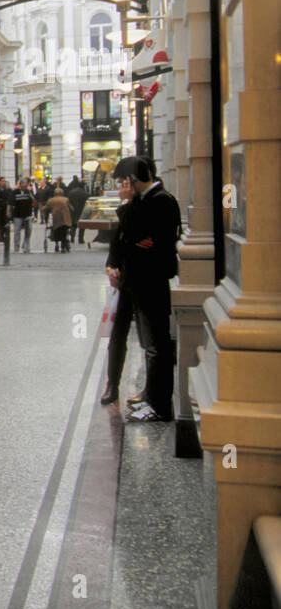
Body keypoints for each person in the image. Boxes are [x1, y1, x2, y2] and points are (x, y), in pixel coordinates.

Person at [105, 157, 181, 422]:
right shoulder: (143, 201)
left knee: (157, 344)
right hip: (136, 279)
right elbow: (128, 239)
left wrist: (129, 211)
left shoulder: (161, 200)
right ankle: (151, 397)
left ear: (134, 180)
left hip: (152, 280)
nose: (123, 187)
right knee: (149, 343)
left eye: (125, 182)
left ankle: (161, 407)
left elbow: (141, 236)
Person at [100, 175, 139, 405]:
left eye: (126, 184)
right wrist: (111, 265)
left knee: (150, 339)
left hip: (146, 281)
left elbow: (135, 234)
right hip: (125, 281)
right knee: (117, 335)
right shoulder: (129, 207)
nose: (122, 189)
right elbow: (119, 241)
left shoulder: (150, 204)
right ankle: (112, 384)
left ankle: (151, 392)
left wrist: (126, 204)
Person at [43, 185, 72, 252]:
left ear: (54, 193)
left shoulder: (51, 200)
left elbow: (45, 208)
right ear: (62, 193)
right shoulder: (66, 199)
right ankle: (63, 245)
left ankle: (57, 244)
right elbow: (71, 208)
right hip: (65, 220)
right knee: (64, 232)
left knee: (56, 231)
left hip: (56, 219)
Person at [12, 178, 35, 252]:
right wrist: (9, 211)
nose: (25, 187)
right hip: (17, 215)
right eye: (24, 185)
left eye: (26, 185)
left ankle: (26, 246)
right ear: (20, 185)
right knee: (17, 231)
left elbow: (33, 201)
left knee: (29, 230)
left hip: (27, 214)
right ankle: (16, 246)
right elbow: (10, 202)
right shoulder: (15, 192)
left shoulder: (28, 192)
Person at [67, 181, 90, 246]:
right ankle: (80, 239)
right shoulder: (85, 194)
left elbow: (68, 201)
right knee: (82, 226)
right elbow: (88, 203)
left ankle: (72, 237)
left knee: (73, 225)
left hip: (73, 211)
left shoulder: (71, 192)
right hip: (82, 211)